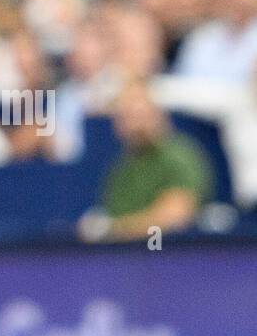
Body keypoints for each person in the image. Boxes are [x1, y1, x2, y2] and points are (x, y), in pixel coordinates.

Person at [78, 81, 213, 243]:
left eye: (140, 114)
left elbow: (175, 216)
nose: (135, 124)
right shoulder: (122, 167)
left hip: (173, 257)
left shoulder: (180, 155)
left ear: (159, 115)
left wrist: (111, 229)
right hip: (127, 260)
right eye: (127, 116)